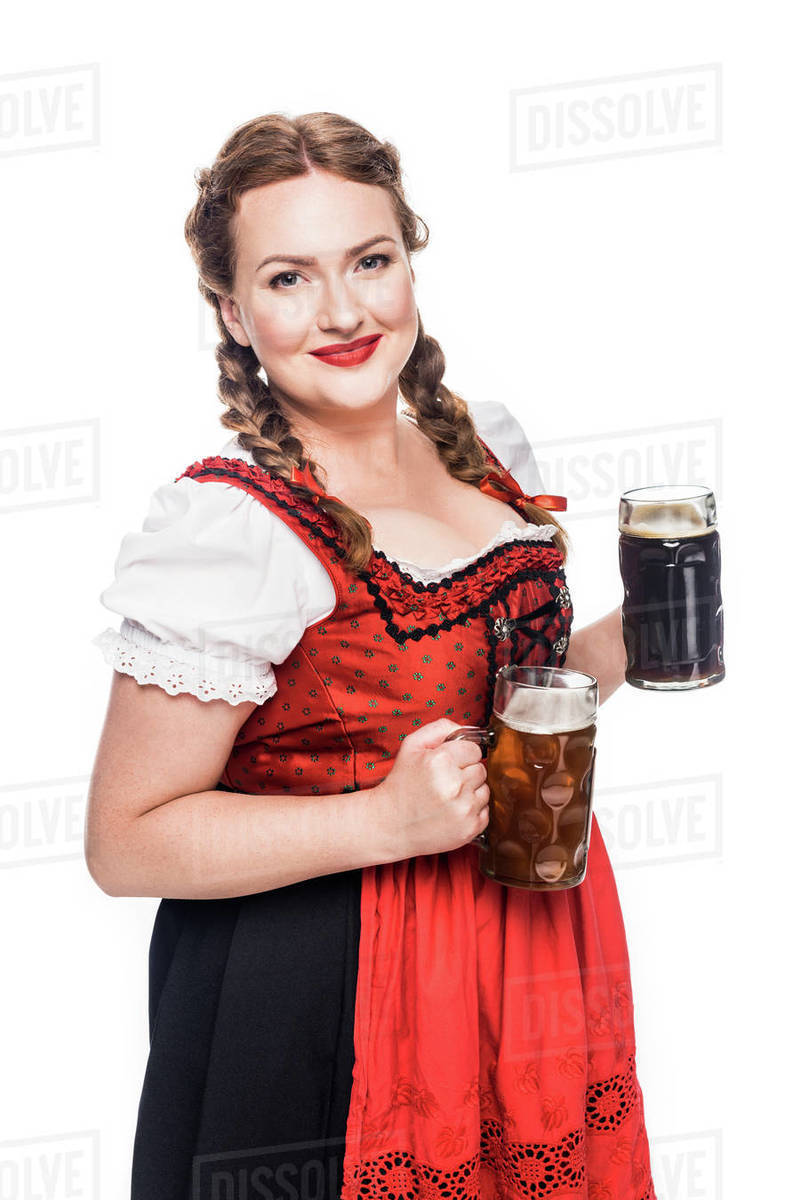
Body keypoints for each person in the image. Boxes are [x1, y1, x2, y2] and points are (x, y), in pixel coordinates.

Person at [86, 112, 657, 1200]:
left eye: (370, 261)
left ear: (410, 262)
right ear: (232, 310)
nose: (344, 312)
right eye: (290, 278)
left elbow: (487, 704)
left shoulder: (476, 448)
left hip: (525, 942)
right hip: (324, 987)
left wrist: (626, 645)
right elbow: (126, 842)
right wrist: (379, 822)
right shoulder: (231, 528)